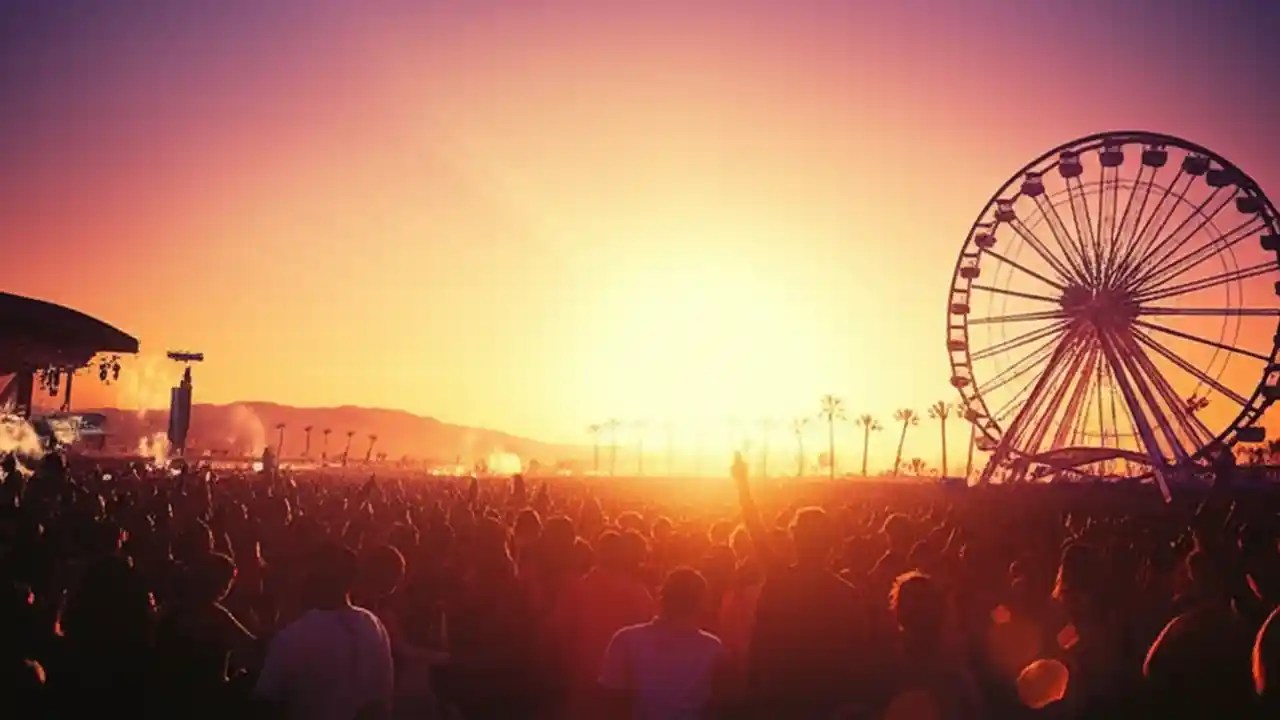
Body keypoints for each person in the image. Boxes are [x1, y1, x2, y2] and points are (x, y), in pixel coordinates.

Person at [255, 543, 394, 720]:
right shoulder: (374, 626)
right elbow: (381, 700)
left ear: (310, 579)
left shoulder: (296, 635)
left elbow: (266, 700)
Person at [598, 567, 728, 720]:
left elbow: (610, 697)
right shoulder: (713, 648)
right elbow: (719, 705)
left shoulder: (626, 639)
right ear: (703, 603)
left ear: (662, 597)